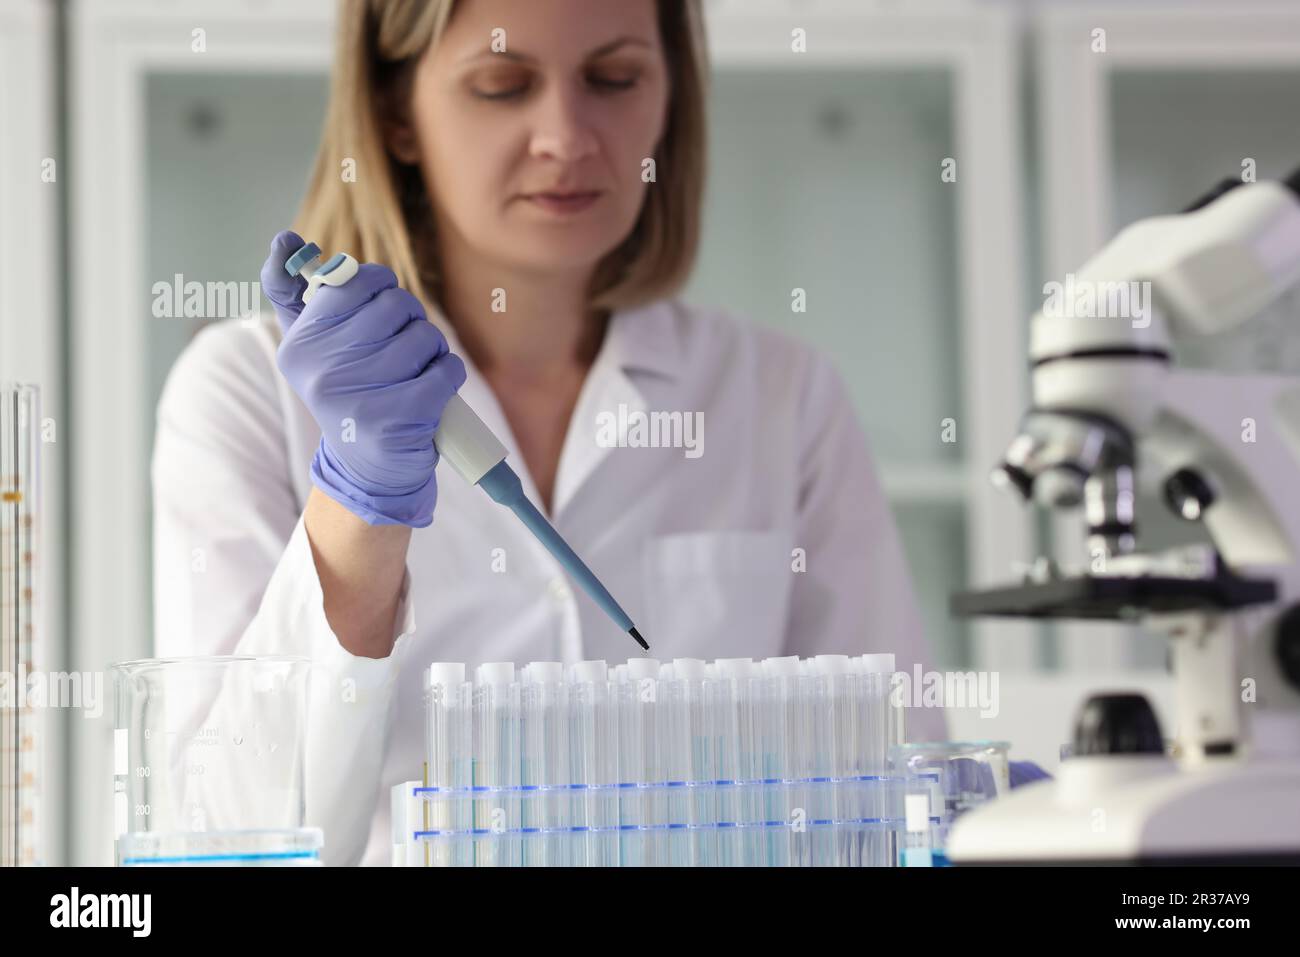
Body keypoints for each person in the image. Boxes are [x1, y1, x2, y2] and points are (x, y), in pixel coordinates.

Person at [152, 0, 946, 866]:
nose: (566, 137)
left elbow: (898, 784)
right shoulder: (245, 391)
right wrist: (358, 509)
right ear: (394, 112)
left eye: (614, 78)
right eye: (502, 84)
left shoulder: (783, 397)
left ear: (671, 92)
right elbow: (227, 847)